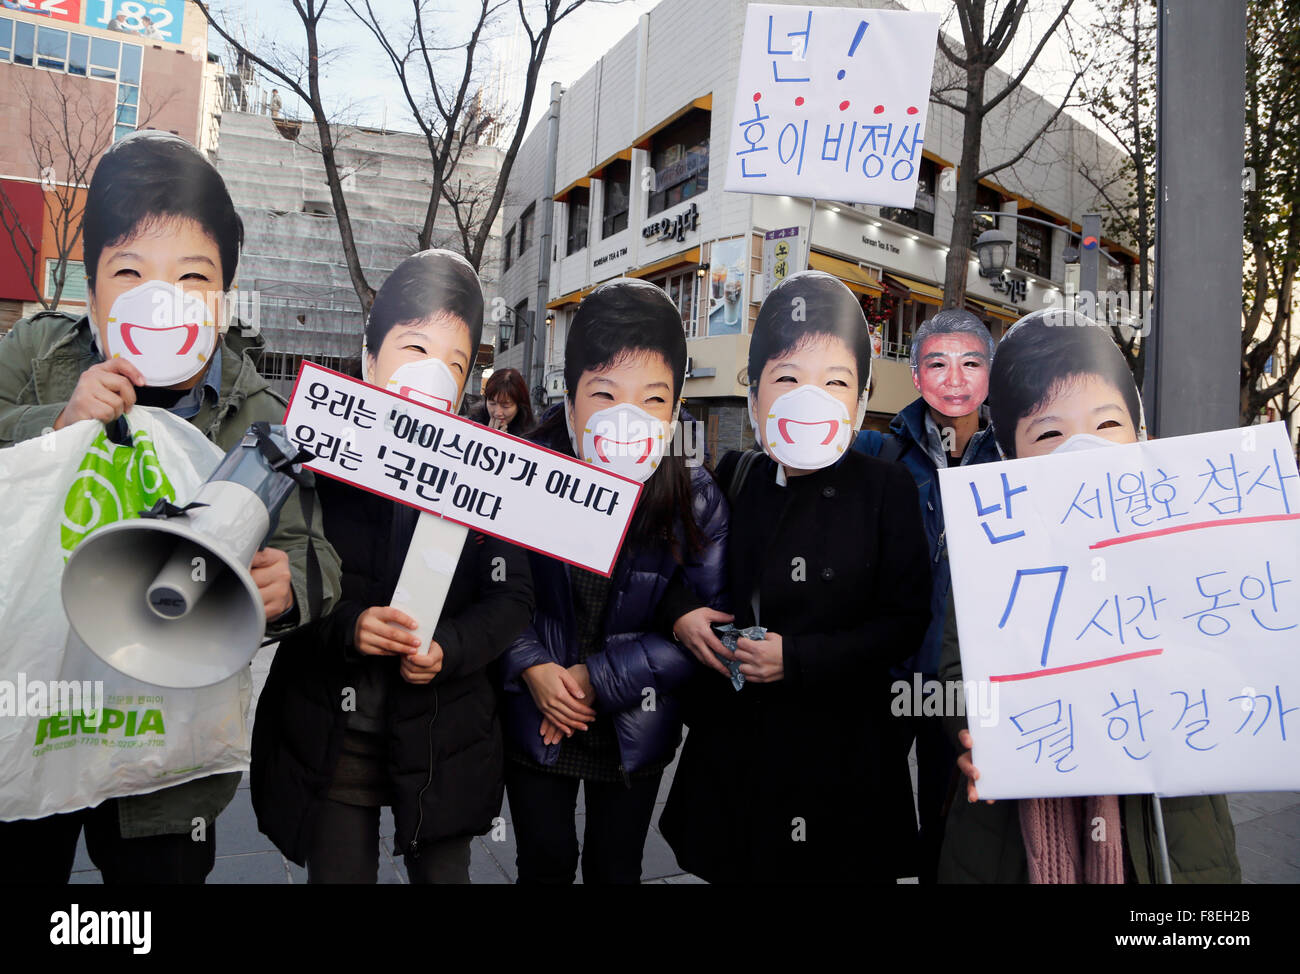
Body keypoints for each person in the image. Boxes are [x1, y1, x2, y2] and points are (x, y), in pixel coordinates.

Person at [0, 130, 341, 884]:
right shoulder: (33, 359)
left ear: (224, 293)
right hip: (35, 715)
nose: (164, 300)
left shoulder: (257, 408)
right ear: (90, 289)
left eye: (193, 276)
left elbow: (318, 557)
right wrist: (53, 427)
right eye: (130, 273)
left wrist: (285, 594)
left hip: (166, 752)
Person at [251, 250, 534, 884]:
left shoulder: (484, 469)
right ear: (369, 354)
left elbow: (512, 600)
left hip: (444, 735)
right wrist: (347, 626)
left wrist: (450, 647)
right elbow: (285, 577)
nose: (432, 374)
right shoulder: (311, 453)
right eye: (413, 348)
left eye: (454, 363)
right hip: (332, 731)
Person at [939, 308, 1241, 883]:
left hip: (1167, 835)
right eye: (1049, 433)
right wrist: (974, 731)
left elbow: (1236, 655)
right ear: (1011, 458)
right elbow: (955, 672)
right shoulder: (988, 553)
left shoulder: (1193, 542)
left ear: (1140, 433)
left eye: (1106, 426)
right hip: (1011, 835)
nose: (1082, 449)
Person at [661, 270, 932, 883]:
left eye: (835, 382)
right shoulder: (736, 475)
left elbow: (906, 621)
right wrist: (679, 614)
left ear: (860, 399)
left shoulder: (886, 488)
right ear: (755, 395)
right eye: (786, 379)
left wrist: (799, 659)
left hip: (844, 758)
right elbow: (670, 570)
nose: (810, 399)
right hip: (742, 758)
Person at [498, 279, 729, 884]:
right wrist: (533, 668)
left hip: (634, 720)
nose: (629, 417)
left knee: (615, 866)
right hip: (536, 710)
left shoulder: (694, 492)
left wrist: (597, 678)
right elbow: (492, 586)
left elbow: (710, 628)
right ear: (570, 398)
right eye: (605, 393)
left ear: (676, 406)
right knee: (543, 860)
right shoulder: (521, 469)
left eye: (653, 399)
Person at [853, 307, 1000, 883]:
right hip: (887, 671)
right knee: (873, 821)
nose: (955, 378)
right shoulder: (877, 452)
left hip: (967, 677)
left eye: (971, 363)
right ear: (915, 375)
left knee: (954, 826)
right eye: (937, 363)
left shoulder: (1017, 455)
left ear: (991, 373)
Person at [469, 367, 534, 436]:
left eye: (505, 406)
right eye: (492, 403)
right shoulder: (471, 427)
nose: (498, 413)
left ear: (519, 405)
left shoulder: (534, 437)